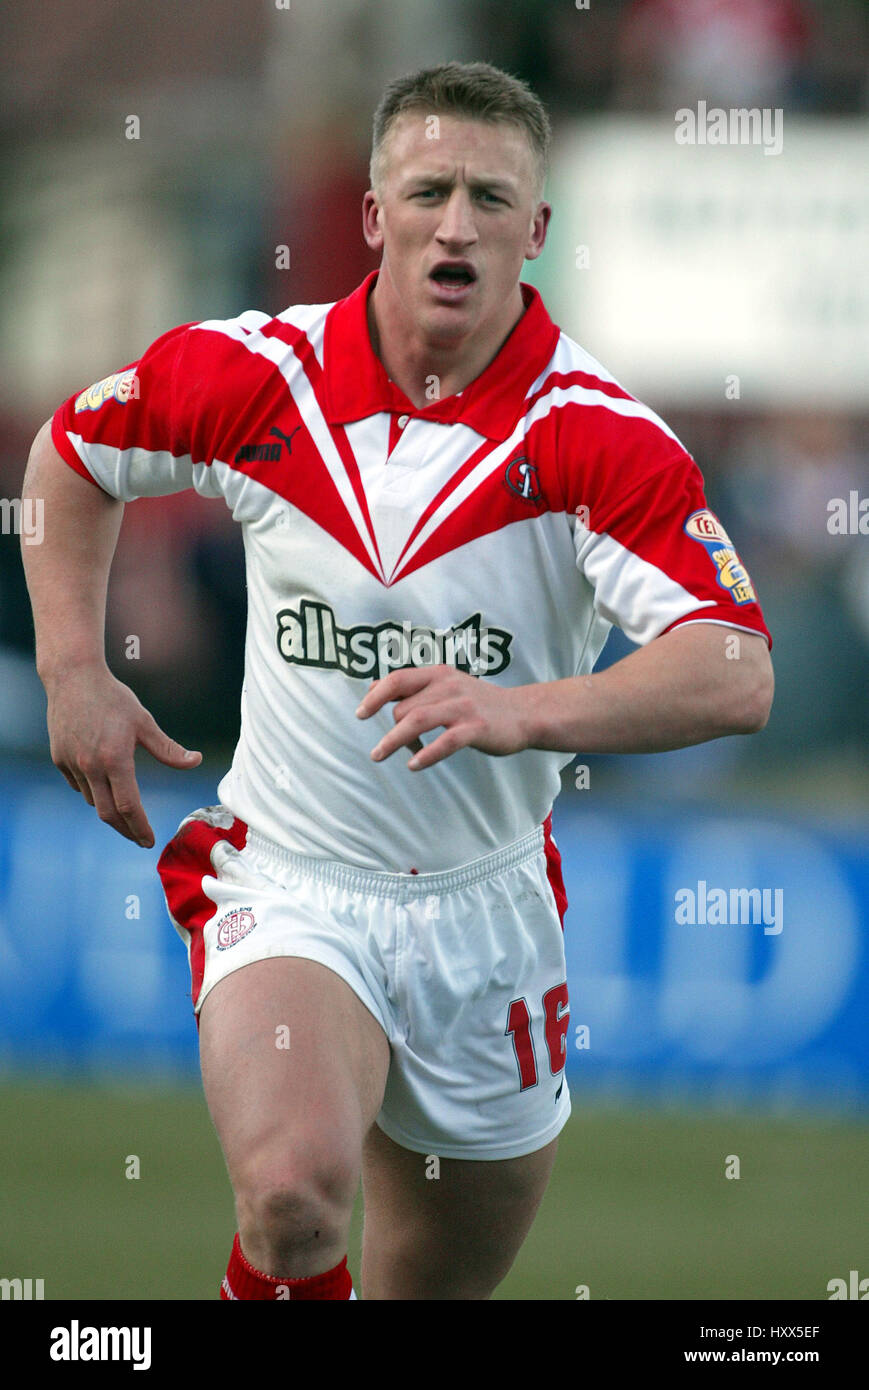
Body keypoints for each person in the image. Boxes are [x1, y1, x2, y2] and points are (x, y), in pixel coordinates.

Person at [21, 61, 773, 1300]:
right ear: (374, 216)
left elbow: (731, 669)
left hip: (488, 916)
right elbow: (72, 453)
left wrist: (519, 710)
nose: (457, 223)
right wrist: (72, 670)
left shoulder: (592, 433)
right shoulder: (258, 377)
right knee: (290, 1194)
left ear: (536, 232)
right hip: (293, 879)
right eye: (428, 189)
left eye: (491, 197)